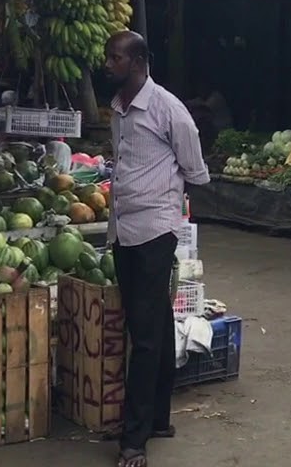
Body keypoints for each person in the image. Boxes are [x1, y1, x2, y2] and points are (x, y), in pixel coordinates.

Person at [103, 31, 209, 467]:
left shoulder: (168, 109)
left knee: (144, 338)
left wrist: (168, 200)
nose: (108, 64)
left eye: (115, 57)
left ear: (138, 61)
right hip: (123, 229)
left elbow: (194, 168)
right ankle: (159, 418)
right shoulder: (117, 108)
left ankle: (134, 440)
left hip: (154, 231)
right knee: (156, 324)